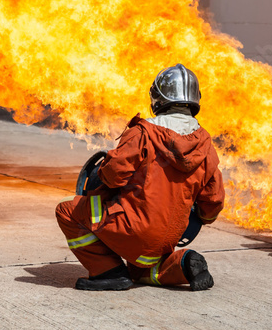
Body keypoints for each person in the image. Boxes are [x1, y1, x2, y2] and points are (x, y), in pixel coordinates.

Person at [55, 64, 225, 291]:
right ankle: (184, 263)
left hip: (130, 230)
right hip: (168, 239)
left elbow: (113, 175)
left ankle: (108, 272)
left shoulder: (143, 133)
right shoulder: (205, 146)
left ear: (158, 98)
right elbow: (213, 203)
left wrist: (101, 174)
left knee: (67, 211)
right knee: (142, 270)